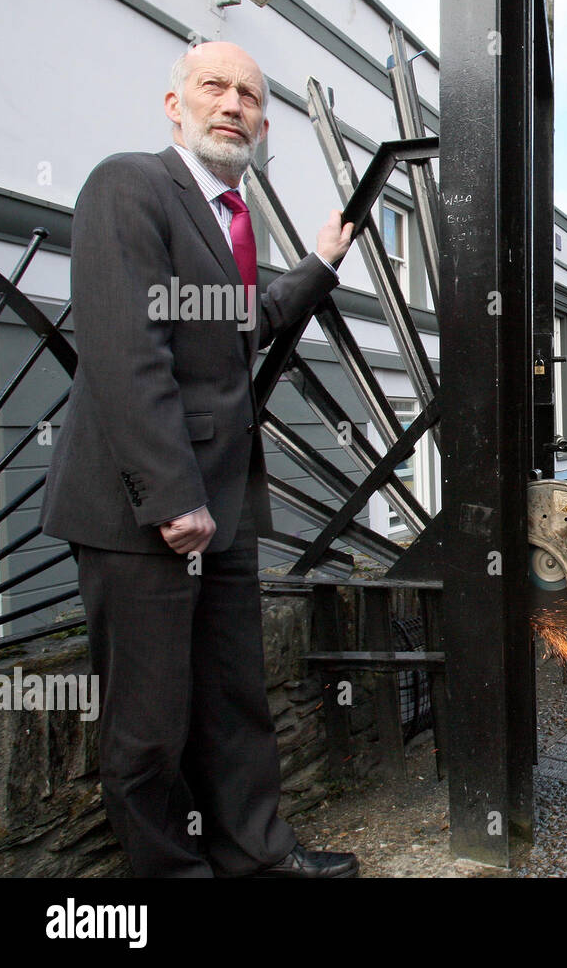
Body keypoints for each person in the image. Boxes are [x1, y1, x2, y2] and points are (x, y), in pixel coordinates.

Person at [40, 42, 359, 878]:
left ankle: (259, 856)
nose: (233, 104)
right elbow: (125, 352)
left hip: (220, 506)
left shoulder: (225, 218)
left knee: (233, 699)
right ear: (173, 104)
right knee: (147, 725)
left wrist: (322, 264)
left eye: (249, 95)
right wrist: (174, 496)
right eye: (213, 86)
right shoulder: (130, 185)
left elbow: (241, 325)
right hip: (141, 508)